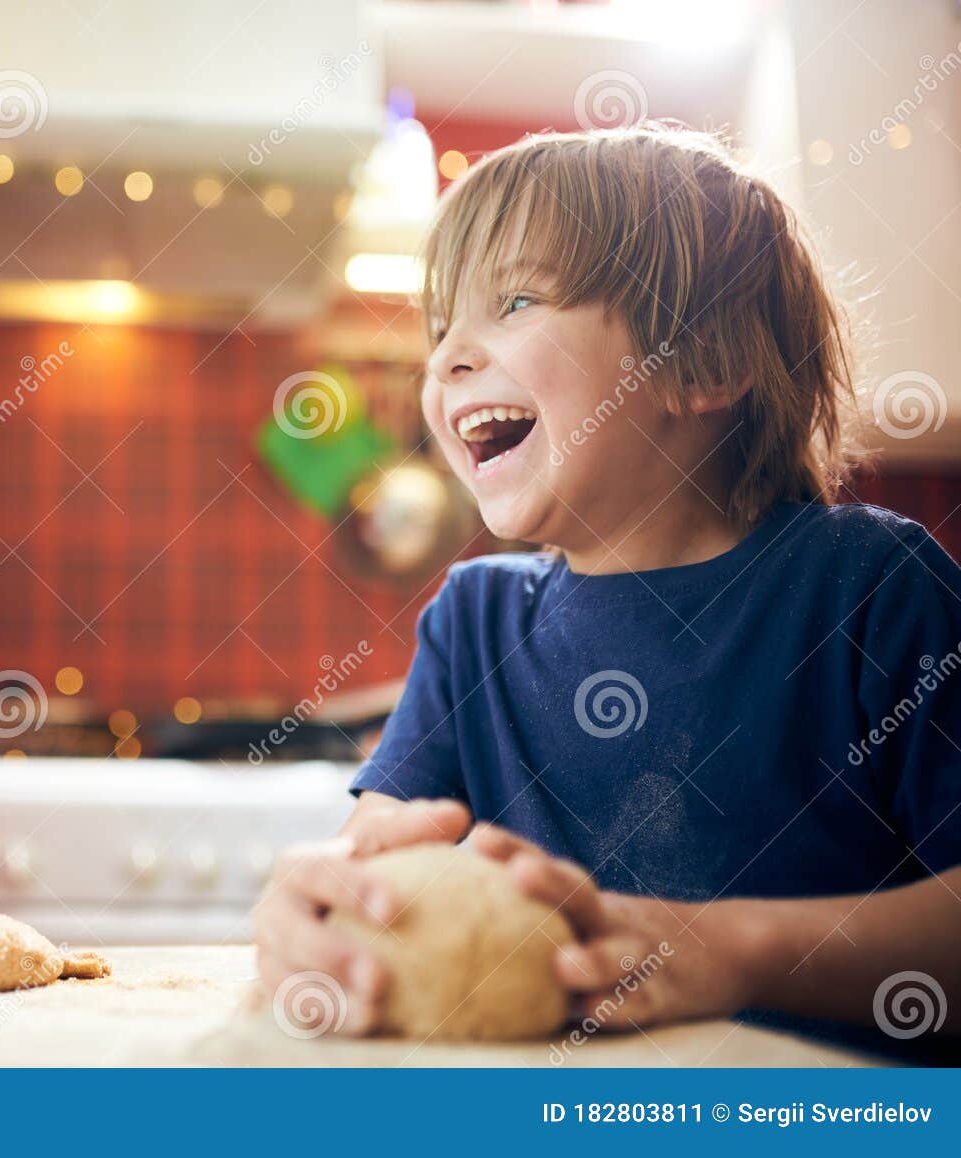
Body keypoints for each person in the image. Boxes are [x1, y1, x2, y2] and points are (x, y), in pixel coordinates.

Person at [254, 122, 961, 1063]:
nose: (450, 357)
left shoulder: (872, 591)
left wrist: (729, 951)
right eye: (440, 329)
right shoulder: (473, 625)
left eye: (514, 301)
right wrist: (323, 906)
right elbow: (378, 850)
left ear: (704, 363)